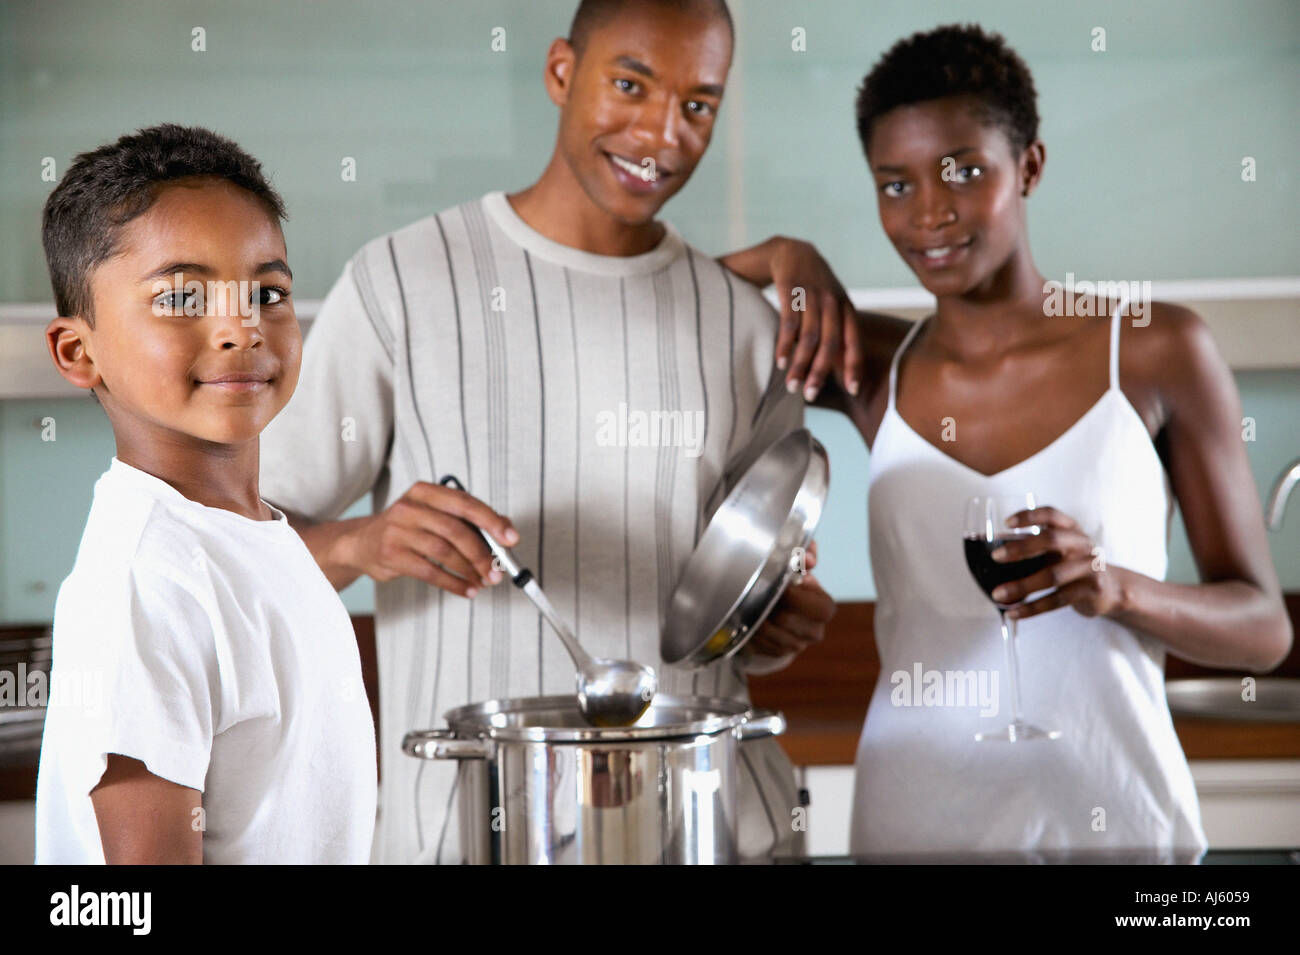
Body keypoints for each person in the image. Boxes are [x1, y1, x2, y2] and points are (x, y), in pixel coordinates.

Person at [258, 0, 849, 863]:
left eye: (698, 105)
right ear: (561, 74)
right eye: (630, 85)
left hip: (714, 830)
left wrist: (766, 620)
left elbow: (733, 630)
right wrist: (363, 542)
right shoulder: (403, 283)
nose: (661, 132)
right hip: (469, 831)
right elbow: (234, 540)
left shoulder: (743, 327)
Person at [797, 24, 1291, 854]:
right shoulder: (869, 363)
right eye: (894, 184)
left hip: (1124, 833)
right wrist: (788, 254)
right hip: (916, 829)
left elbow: (1264, 628)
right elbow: (672, 299)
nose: (928, 214)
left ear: (1029, 166)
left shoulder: (1155, 348)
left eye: (962, 171)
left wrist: (1115, 587)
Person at [35, 124, 377, 864]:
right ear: (78, 351)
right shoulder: (145, 583)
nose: (240, 327)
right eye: (182, 296)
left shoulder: (253, 535)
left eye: (268, 291)